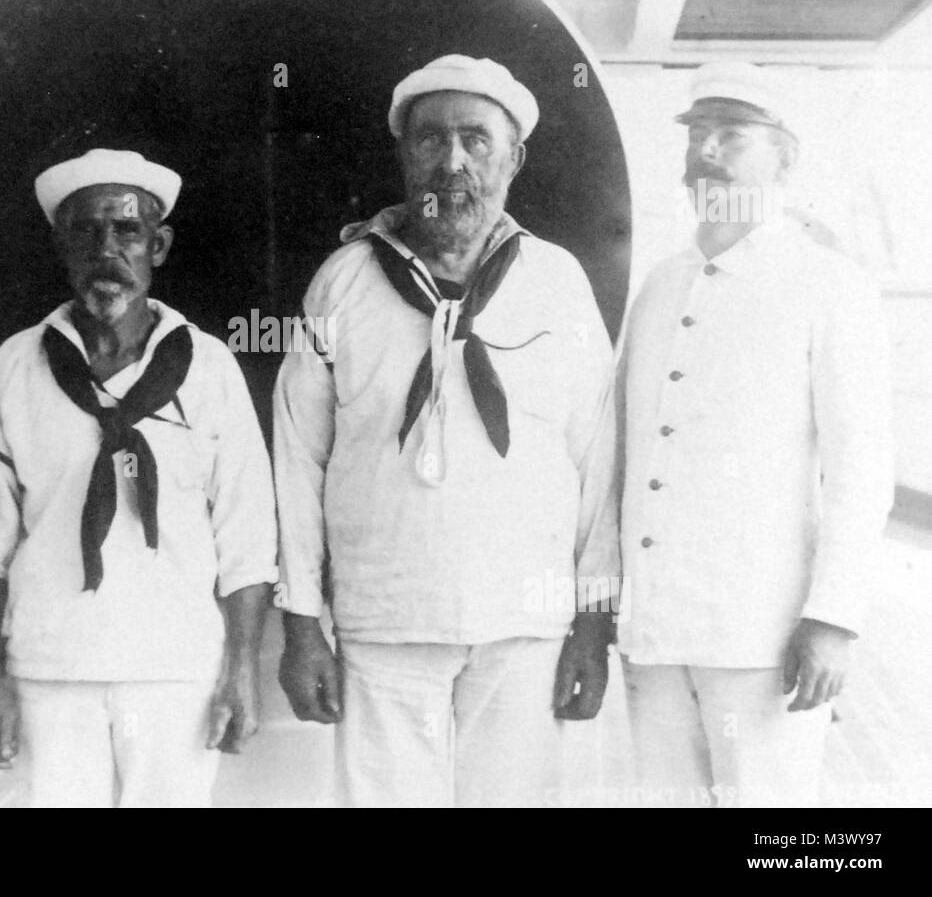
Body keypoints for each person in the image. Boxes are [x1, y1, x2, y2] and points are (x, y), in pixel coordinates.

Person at [272, 54, 619, 807]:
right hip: (383, 623)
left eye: (476, 139)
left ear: (514, 158)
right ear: (404, 154)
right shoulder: (344, 281)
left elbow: (598, 459)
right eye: (430, 139)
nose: (452, 161)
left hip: (525, 624)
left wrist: (594, 620)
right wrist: (301, 622)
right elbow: (297, 458)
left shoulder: (558, 284)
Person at [0, 148, 278, 808]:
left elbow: (247, 538)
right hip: (51, 669)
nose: (108, 249)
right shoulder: (19, 366)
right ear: (61, 244)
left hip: (176, 670)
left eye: (128, 230)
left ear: (158, 244)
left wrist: (242, 667)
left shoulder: (209, 367)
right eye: (87, 230)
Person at [616, 62, 895, 807]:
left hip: (761, 638)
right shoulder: (660, 285)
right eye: (697, 135)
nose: (706, 151)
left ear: (785, 158)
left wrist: (833, 617)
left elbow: (861, 467)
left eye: (731, 135)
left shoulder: (829, 285)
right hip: (654, 635)